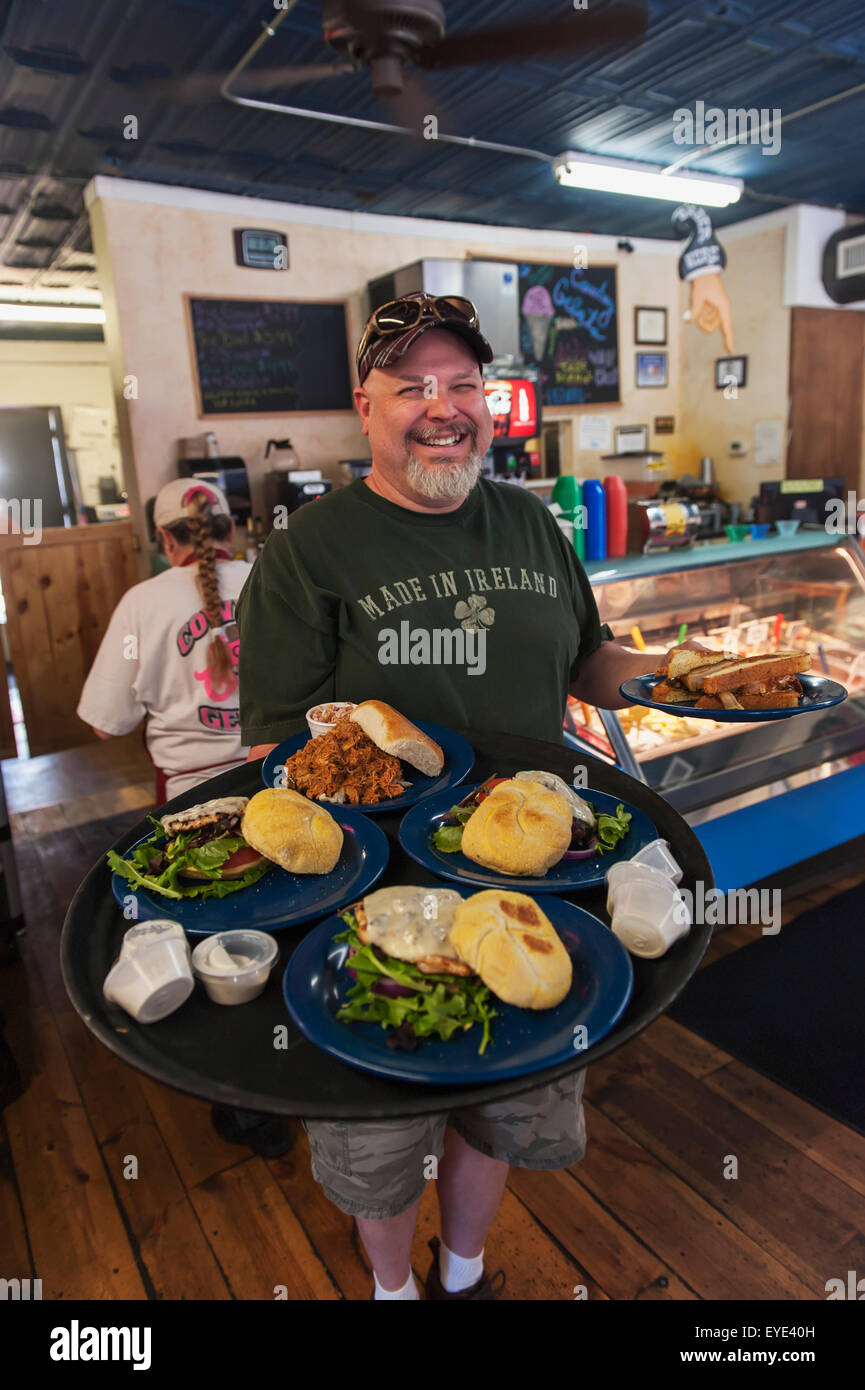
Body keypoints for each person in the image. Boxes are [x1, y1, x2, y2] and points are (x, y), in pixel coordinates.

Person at [235, 292, 683, 1301]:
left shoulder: (528, 520)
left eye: (463, 384)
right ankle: (393, 1288)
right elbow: (275, 742)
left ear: (492, 398)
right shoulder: (310, 551)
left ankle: (467, 1267)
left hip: (538, 882)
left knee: (508, 1097)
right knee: (382, 1129)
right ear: (365, 407)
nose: (443, 408)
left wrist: (671, 677)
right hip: (381, 897)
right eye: (412, 387)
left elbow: (586, 659)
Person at [77, 480, 252, 803]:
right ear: (229, 531)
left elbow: (106, 724)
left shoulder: (141, 603)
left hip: (188, 800)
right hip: (279, 779)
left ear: (166, 539)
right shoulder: (271, 581)